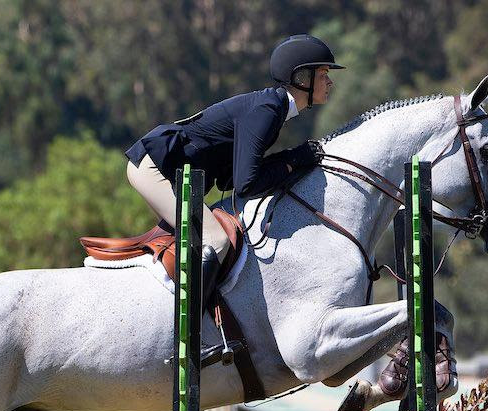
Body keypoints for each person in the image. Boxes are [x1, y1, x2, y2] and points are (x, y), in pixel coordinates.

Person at [125, 34, 344, 305]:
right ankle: (189, 338)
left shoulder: (273, 109)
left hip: (172, 170)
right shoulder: (268, 110)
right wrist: (292, 160)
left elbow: (230, 180)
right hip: (154, 167)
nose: (330, 81)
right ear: (302, 78)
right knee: (216, 240)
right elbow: (246, 185)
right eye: (323, 74)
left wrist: (290, 158)